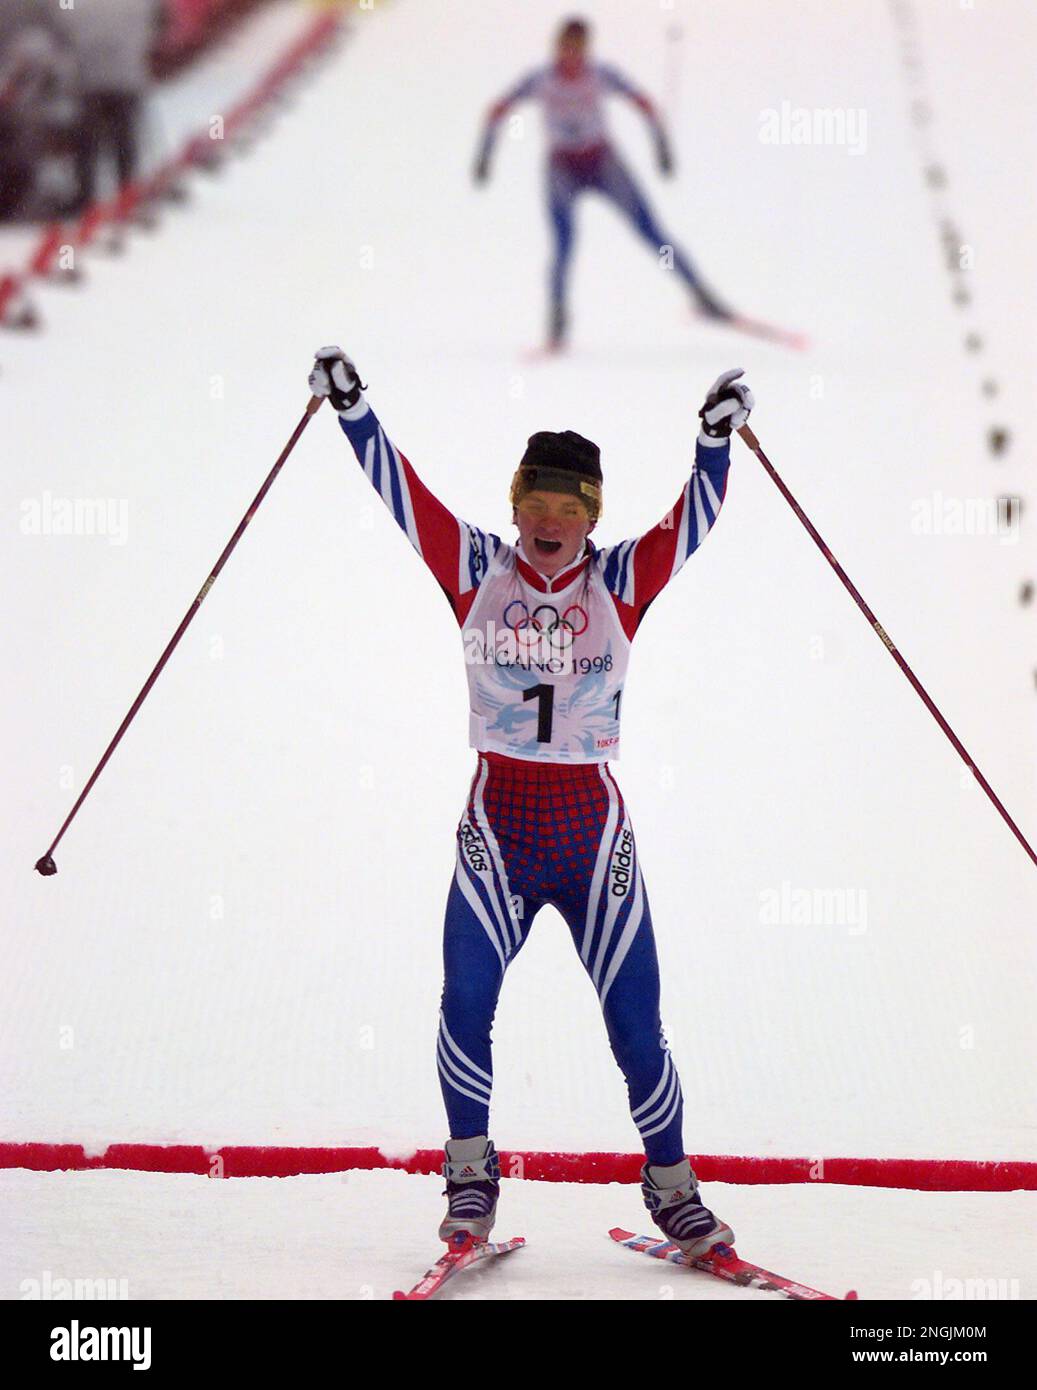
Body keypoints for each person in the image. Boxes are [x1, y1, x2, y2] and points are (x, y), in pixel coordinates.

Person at [307, 345, 755, 1256]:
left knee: (636, 1024)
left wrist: (714, 444)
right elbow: (404, 495)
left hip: (591, 836)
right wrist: (353, 411)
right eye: (535, 504)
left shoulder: (617, 581)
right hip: (497, 834)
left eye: (568, 507)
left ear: (590, 516)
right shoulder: (476, 567)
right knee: (464, 1000)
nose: (549, 522)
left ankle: (671, 1187)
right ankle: (470, 1177)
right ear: (514, 507)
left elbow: (691, 524)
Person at [473, 15, 731, 350]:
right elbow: (498, 110)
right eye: (567, 47)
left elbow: (646, 105)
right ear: (558, 47)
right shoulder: (541, 80)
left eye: (578, 48)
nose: (572, 55)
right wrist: (485, 155)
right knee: (564, 245)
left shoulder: (600, 75)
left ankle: (702, 295)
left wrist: (661, 147)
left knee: (652, 233)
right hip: (562, 168)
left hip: (603, 162)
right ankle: (557, 321)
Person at [56, 0, 162, 209]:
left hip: (90, 79)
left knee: (87, 143)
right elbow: (160, 27)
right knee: (124, 140)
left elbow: (61, 28)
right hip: (126, 78)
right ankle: (127, 194)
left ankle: (85, 196)